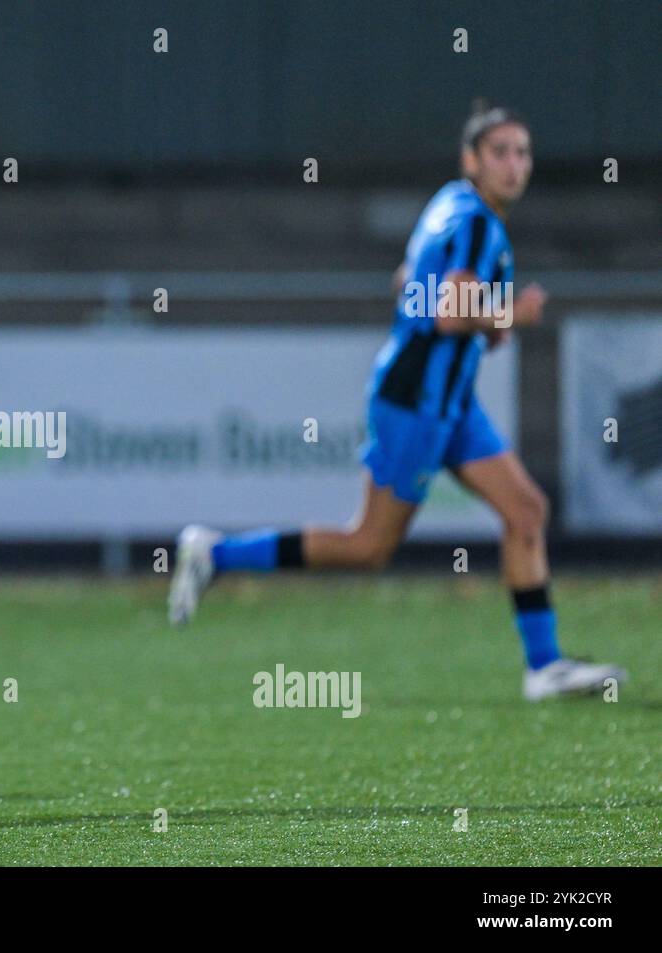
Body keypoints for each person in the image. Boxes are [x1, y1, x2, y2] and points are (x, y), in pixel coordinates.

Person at [168, 104, 625, 702]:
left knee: (526, 510)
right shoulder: (479, 224)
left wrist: (483, 320)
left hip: (450, 399)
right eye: (500, 153)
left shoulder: (447, 206)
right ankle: (216, 554)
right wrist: (510, 314)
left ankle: (545, 667)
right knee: (367, 547)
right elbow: (447, 313)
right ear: (472, 160)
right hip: (417, 399)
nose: (514, 166)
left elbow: (406, 281)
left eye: (523, 153)